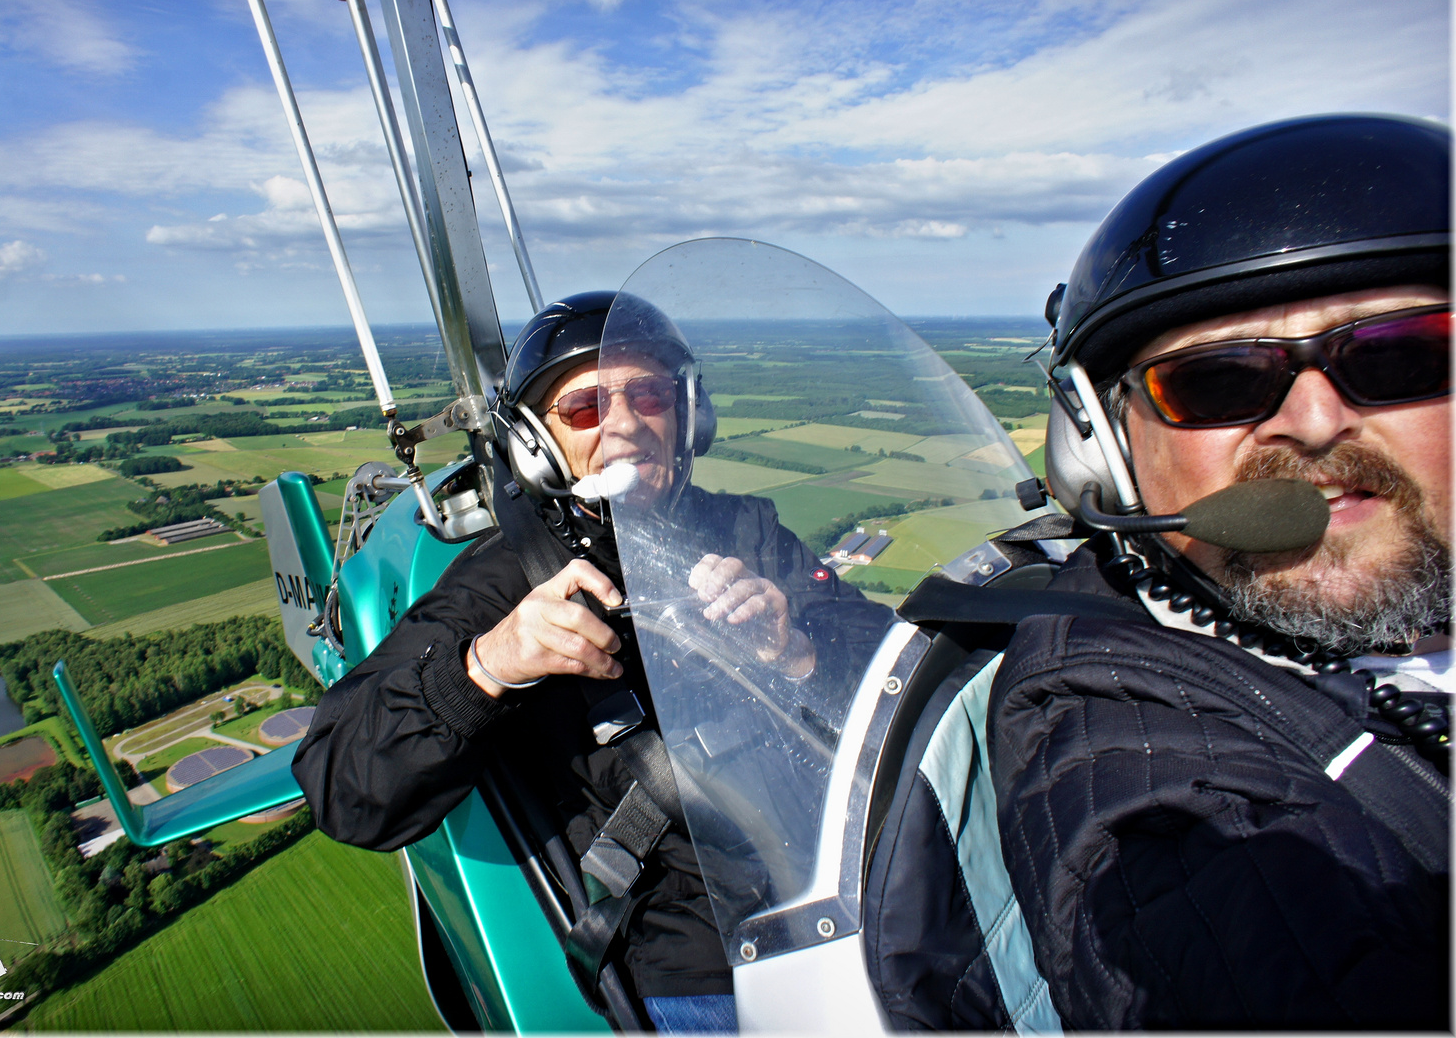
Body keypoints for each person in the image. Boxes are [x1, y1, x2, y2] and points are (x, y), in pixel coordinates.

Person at [291, 290, 891, 1033]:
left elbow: (889, 664)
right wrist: (489, 664)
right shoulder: (504, 581)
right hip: (703, 951)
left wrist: (795, 649)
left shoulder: (746, 530)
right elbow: (342, 783)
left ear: (688, 416)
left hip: (847, 876)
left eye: (648, 394)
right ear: (535, 444)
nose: (626, 424)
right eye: (584, 409)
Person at [990, 114, 1450, 1028]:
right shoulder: (1137, 747)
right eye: (1216, 380)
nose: (1314, 423)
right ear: (1105, 455)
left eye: (1401, 355)